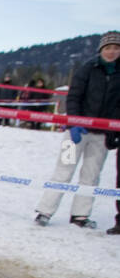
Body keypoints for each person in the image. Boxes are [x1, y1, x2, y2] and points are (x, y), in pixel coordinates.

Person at [34, 31, 120, 229]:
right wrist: (73, 122)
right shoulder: (88, 68)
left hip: (101, 135)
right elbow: (73, 96)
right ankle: (44, 211)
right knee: (64, 170)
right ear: (101, 50)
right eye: (108, 48)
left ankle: (80, 215)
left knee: (91, 174)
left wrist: (114, 130)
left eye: (116, 48)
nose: (112, 52)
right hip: (76, 133)